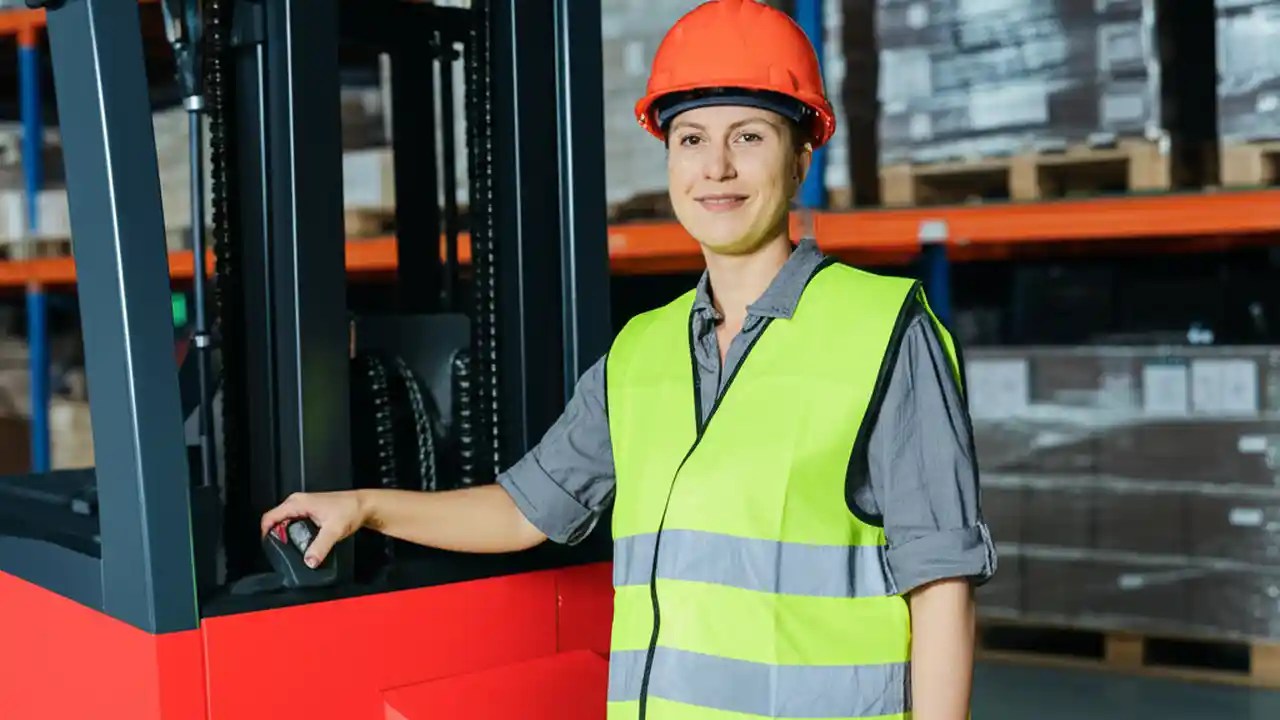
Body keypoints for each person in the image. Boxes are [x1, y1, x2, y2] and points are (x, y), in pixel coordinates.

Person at [261, 1, 995, 718]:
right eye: (691, 139)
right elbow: (526, 511)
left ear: (802, 156)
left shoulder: (882, 329)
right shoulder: (643, 352)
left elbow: (942, 585)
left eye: (749, 137)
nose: (716, 168)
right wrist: (365, 506)